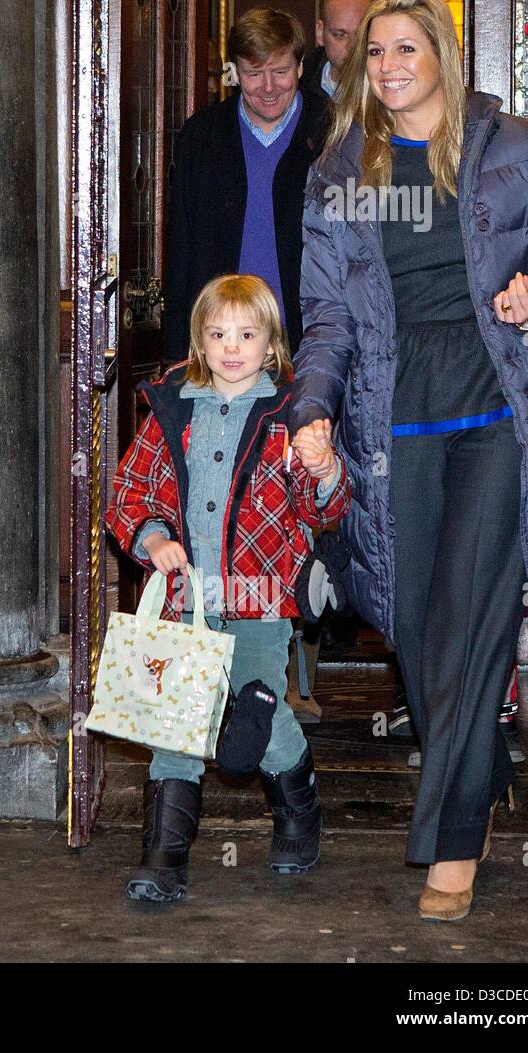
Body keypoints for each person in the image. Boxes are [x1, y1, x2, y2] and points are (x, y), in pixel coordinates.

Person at [291, 0, 528, 921]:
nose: (389, 67)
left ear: (443, 56)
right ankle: (479, 769)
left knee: (472, 616)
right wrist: (312, 408)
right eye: (375, 53)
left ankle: (450, 841)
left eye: (407, 49)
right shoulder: (340, 172)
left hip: (498, 414)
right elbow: (328, 314)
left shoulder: (516, 149)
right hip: (391, 421)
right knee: (413, 623)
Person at [105, 274, 350, 903]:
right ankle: (163, 859)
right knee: (177, 723)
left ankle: (298, 812)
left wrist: (323, 472)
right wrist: (154, 540)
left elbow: (323, 510)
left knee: (253, 719)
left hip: (262, 600)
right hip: (186, 599)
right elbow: (130, 493)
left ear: (271, 346)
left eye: (246, 335)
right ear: (199, 342)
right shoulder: (172, 408)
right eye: (218, 335)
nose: (232, 347)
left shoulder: (291, 415)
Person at [162, 7, 330, 363]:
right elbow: (181, 249)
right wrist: (177, 353)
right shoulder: (201, 137)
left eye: (281, 72)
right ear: (234, 73)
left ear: (301, 67)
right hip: (220, 352)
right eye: (254, 74)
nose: (268, 88)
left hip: (311, 348)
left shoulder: (335, 132)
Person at [302, 0, 372, 105]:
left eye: (360, 35)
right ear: (320, 33)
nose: (351, 47)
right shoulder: (297, 87)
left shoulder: (389, 86)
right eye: (340, 35)